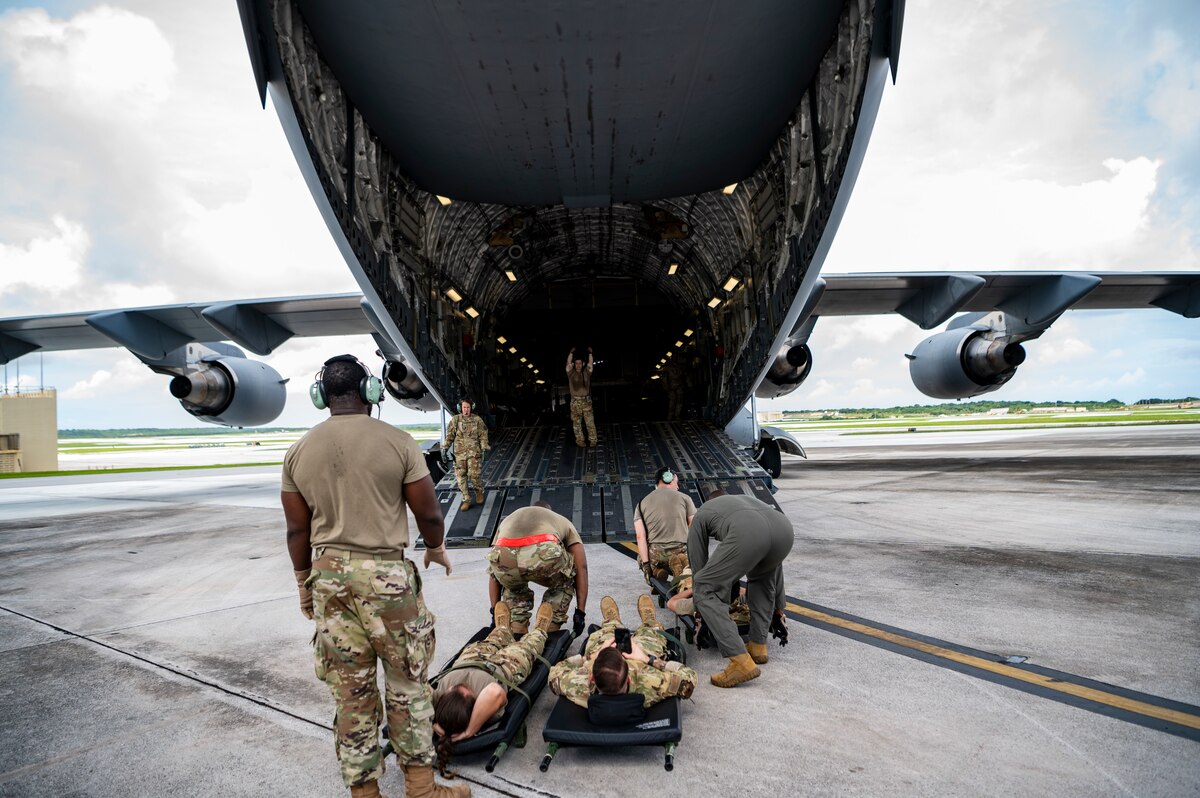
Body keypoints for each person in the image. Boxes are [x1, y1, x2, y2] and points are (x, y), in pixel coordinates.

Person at [282, 354, 467, 798]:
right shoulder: (399, 442)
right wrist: (436, 547)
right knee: (407, 684)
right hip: (386, 579)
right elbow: (429, 513)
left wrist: (304, 584)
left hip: (328, 580)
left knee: (351, 693)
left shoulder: (298, 451)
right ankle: (421, 789)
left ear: (321, 396)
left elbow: (297, 530)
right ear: (370, 391)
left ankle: (365, 793)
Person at [687, 490, 794, 688]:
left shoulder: (703, 511)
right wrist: (780, 607)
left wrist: (700, 608)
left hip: (749, 533)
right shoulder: (745, 501)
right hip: (784, 529)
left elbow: (697, 558)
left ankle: (740, 662)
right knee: (762, 581)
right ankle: (758, 646)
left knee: (704, 588)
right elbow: (776, 573)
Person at [431, 602, 554, 772]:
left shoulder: (438, 697)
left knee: (494, 638)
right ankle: (540, 630)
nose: (461, 685)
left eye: (453, 689)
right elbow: (494, 692)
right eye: (466, 691)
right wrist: (469, 731)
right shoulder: (485, 708)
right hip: (507, 666)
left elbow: (412, 696)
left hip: (471, 658)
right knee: (527, 646)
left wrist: (432, 723)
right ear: (473, 704)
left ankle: (503, 628)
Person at [549, 595, 697, 707]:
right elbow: (689, 677)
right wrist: (648, 659)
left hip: (597, 661)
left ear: (591, 678)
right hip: (641, 657)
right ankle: (650, 622)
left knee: (606, 636)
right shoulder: (652, 683)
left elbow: (554, 674)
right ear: (628, 679)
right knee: (651, 633)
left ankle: (611, 622)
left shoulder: (577, 684)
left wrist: (589, 658)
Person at [487, 500, 588, 636]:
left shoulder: (509, 519)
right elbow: (581, 567)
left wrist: (494, 611)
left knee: (513, 587)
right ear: (549, 511)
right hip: (543, 553)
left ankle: (517, 628)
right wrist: (580, 612)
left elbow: (494, 572)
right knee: (566, 578)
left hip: (505, 555)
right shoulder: (560, 520)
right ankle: (549, 627)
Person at [634, 466, 696, 590]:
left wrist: (647, 566)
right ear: (668, 478)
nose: (677, 487)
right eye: (676, 482)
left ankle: (656, 573)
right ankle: (681, 577)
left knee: (640, 557)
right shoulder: (685, 498)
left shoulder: (641, 503)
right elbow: (696, 527)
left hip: (656, 554)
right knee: (684, 562)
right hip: (681, 551)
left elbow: (640, 536)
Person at [443, 398, 489, 511]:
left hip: (474, 454)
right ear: (460, 408)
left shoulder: (477, 420)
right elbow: (450, 436)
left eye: (468, 407)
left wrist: (484, 448)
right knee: (461, 477)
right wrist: (444, 448)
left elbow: (483, 435)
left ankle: (479, 492)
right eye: (464, 407)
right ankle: (466, 500)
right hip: (459, 455)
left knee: (474, 475)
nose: (466, 410)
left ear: (471, 408)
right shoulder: (455, 420)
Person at [565, 347, 597, 447]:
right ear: (574, 364)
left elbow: (591, 364)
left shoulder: (586, 372)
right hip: (575, 401)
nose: (578, 365)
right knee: (576, 423)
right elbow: (568, 362)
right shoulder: (571, 373)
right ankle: (580, 441)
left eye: (580, 363)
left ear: (582, 364)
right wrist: (571, 353)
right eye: (576, 363)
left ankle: (593, 440)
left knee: (590, 422)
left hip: (586, 401)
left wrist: (590, 353)